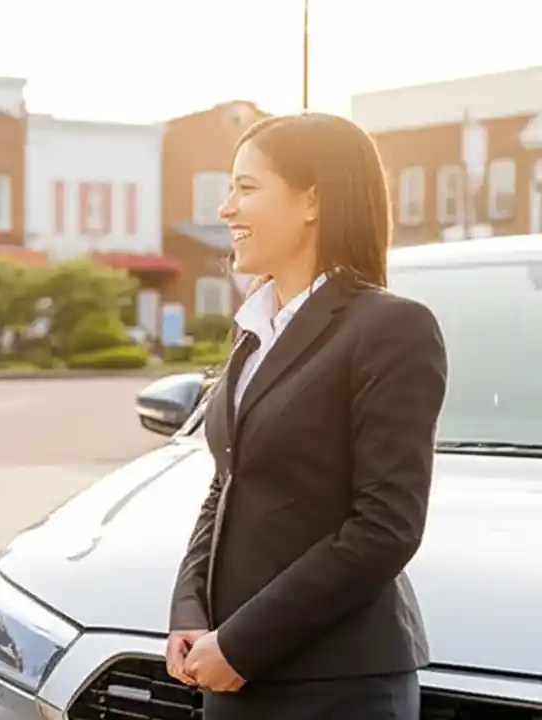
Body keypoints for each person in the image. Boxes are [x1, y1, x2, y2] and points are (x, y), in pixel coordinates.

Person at [164, 112, 449, 719]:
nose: (225, 209)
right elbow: (228, 482)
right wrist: (189, 612)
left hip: (337, 687)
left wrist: (242, 643)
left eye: (247, 188)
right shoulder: (254, 329)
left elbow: (386, 526)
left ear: (312, 199)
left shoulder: (391, 329)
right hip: (233, 678)